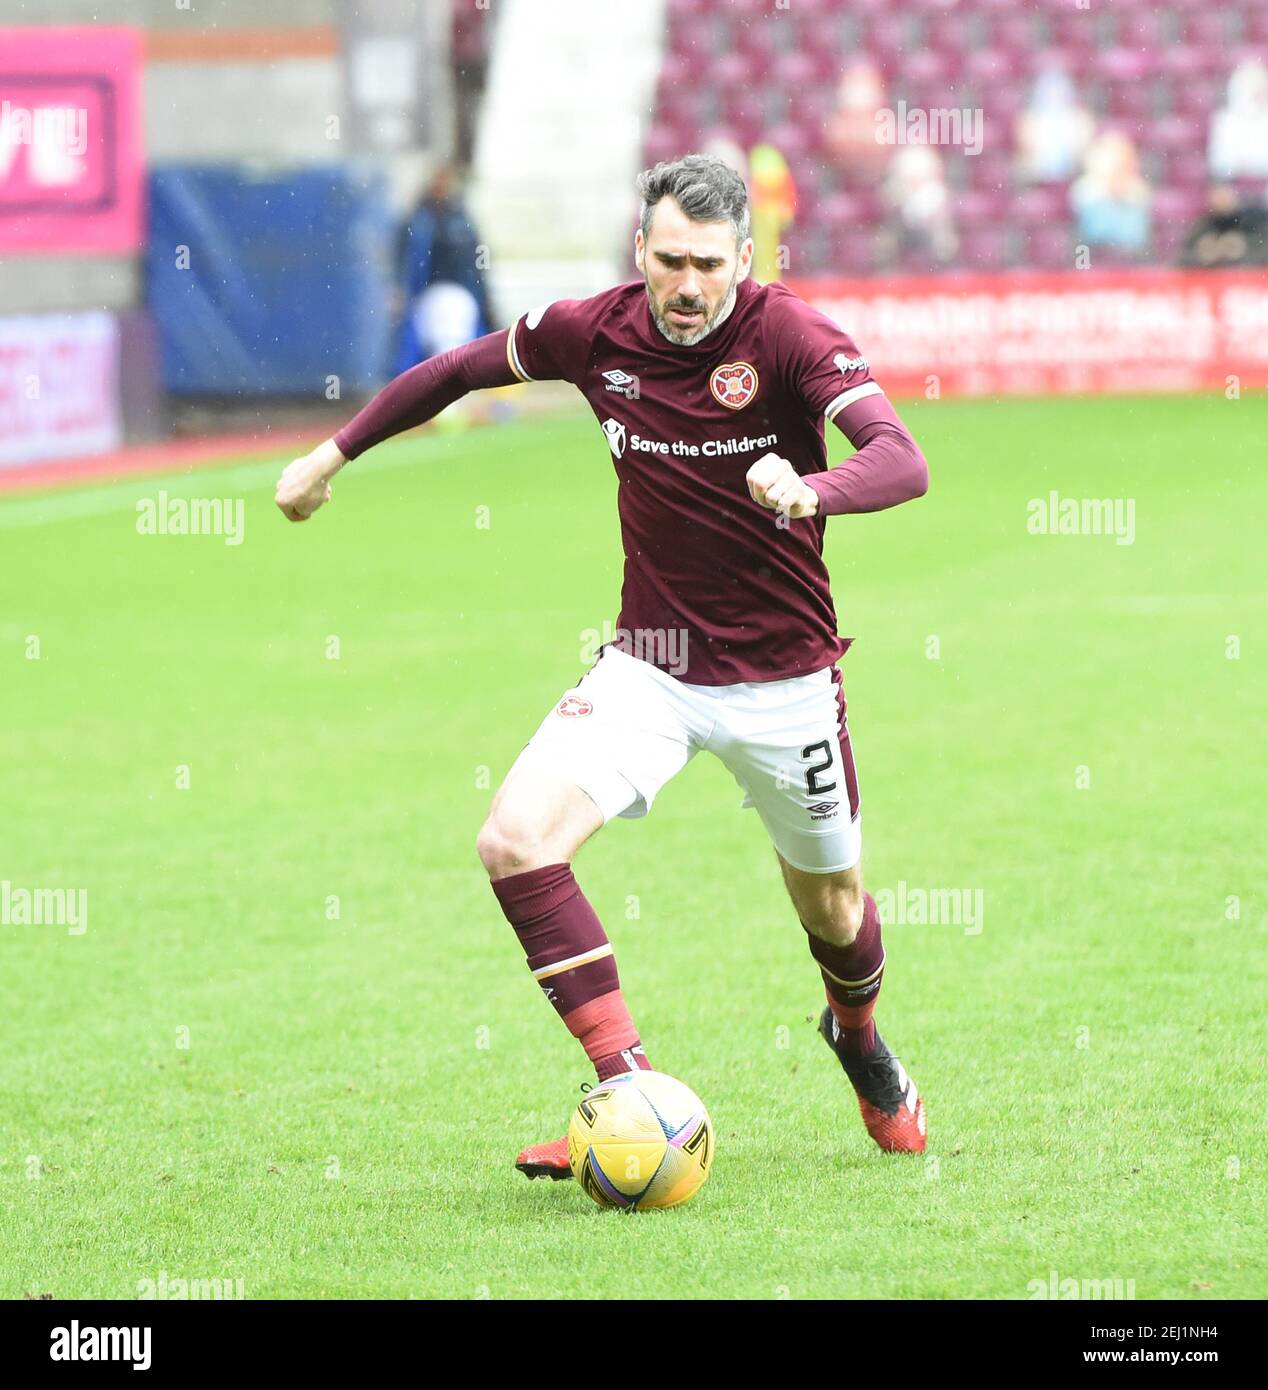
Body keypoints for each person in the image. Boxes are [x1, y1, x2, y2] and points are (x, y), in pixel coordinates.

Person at [275, 155, 930, 1178]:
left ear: (742, 260)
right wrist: (331, 456)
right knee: (513, 840)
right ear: (641, 250)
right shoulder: (596, 330)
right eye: (668, 260)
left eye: (707, 265)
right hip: (651, 667)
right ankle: (627, 1091)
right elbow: (456, 370)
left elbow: (900, 456)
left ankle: (856, 1038)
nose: (686, 285)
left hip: (784, 681)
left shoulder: (789, 335)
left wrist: (813, 489)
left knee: (834, 910)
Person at [393, 166, 498, 375]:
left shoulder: (462, 221)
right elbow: (406, 260)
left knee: (455, 346)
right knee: (431, 348)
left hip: (458, 294)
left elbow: (476, 264)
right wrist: (401, 291)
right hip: (429, 294)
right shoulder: (418, 221)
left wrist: (485, 299)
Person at [1179, 184, 1268, 268]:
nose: (1222, 201)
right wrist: (1201, 255)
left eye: (1225, 196)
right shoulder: (1202, 227)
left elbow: (1263, 254)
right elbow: (1180, 260)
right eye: (1218, 197)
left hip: (1248, 281)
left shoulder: (1255, 223)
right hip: (1212, 280)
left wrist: (1243, 251)